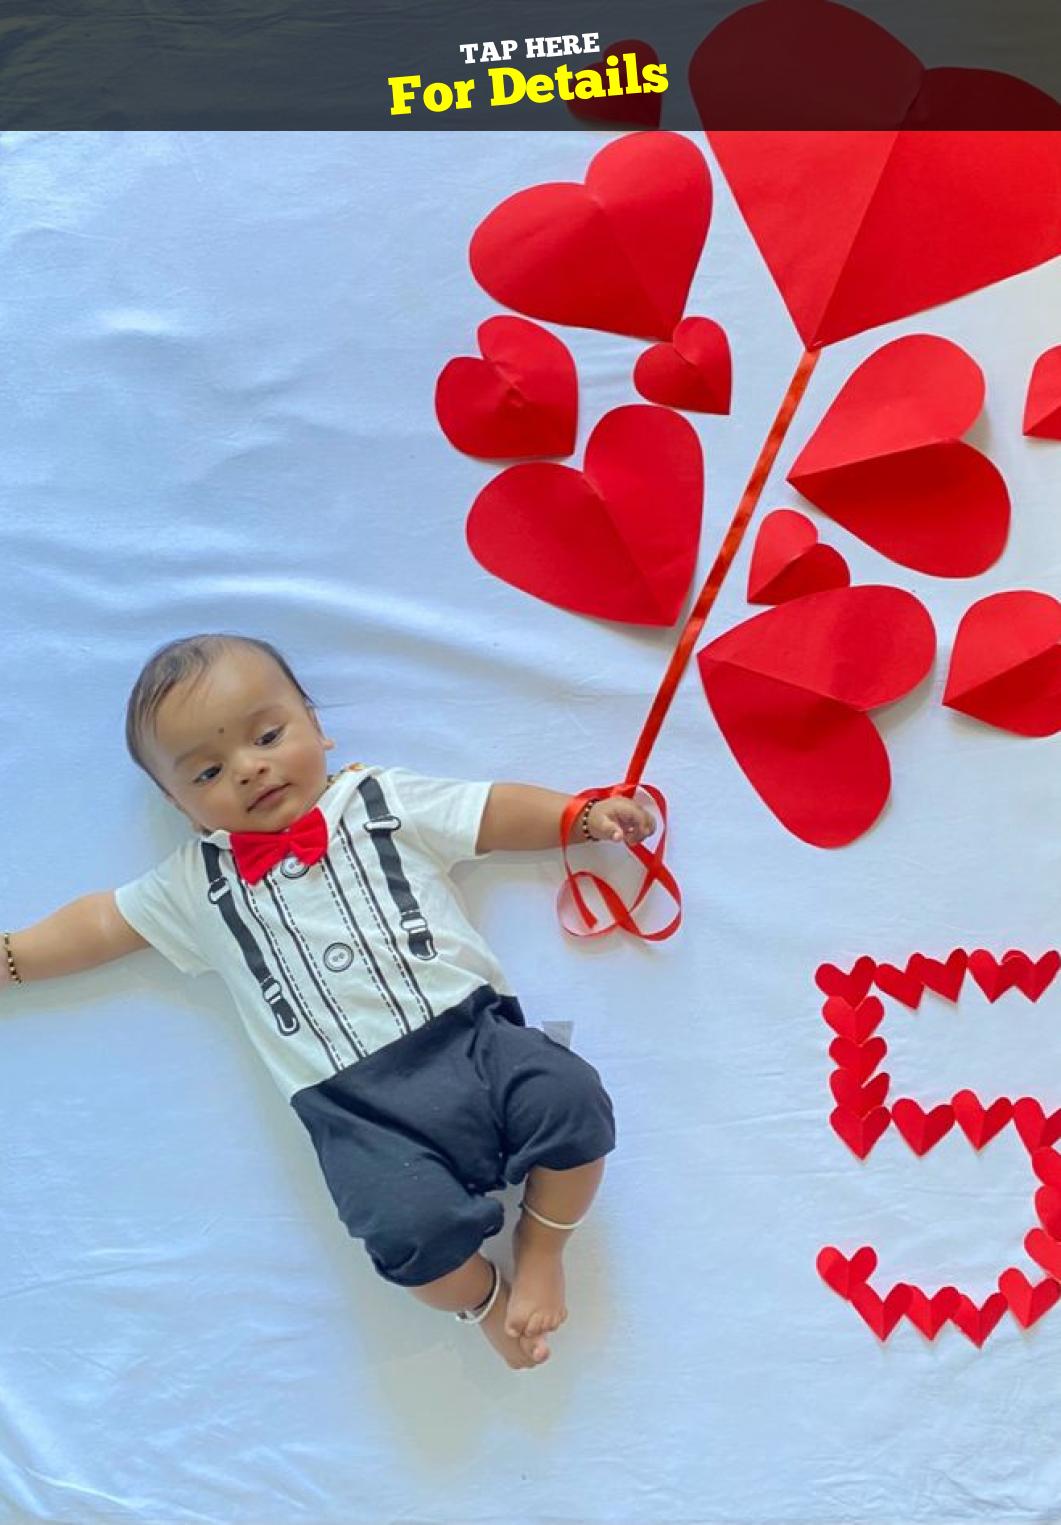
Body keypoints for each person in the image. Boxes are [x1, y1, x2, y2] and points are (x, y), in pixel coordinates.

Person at [1, 632, 656, 1371]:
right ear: (181, 806)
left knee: (572, 1099)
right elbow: (100, 923)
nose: (250, 768)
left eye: (269, 734)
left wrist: (577, 814)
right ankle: (484, 1303)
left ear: (317, 725)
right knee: (404, 1237)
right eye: (210, 771)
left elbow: (491, 812)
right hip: (355, 1109)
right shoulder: (194, 884)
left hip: (472, 1039)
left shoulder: (380, 799)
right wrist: (14, 957)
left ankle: (542, 1247)